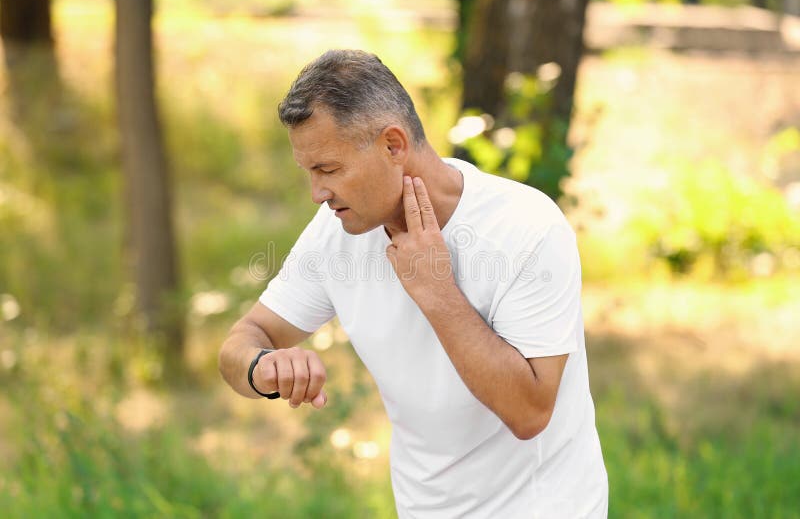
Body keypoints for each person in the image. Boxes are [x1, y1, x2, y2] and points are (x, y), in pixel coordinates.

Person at [218, 49, 608, 518]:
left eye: (328, 169)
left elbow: (530, 413)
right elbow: (241, 341)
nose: (317, 194)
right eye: (310, 173)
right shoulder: (336, 231)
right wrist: (262, 368)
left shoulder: (527, 227)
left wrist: (437, 292)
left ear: (393, 145)